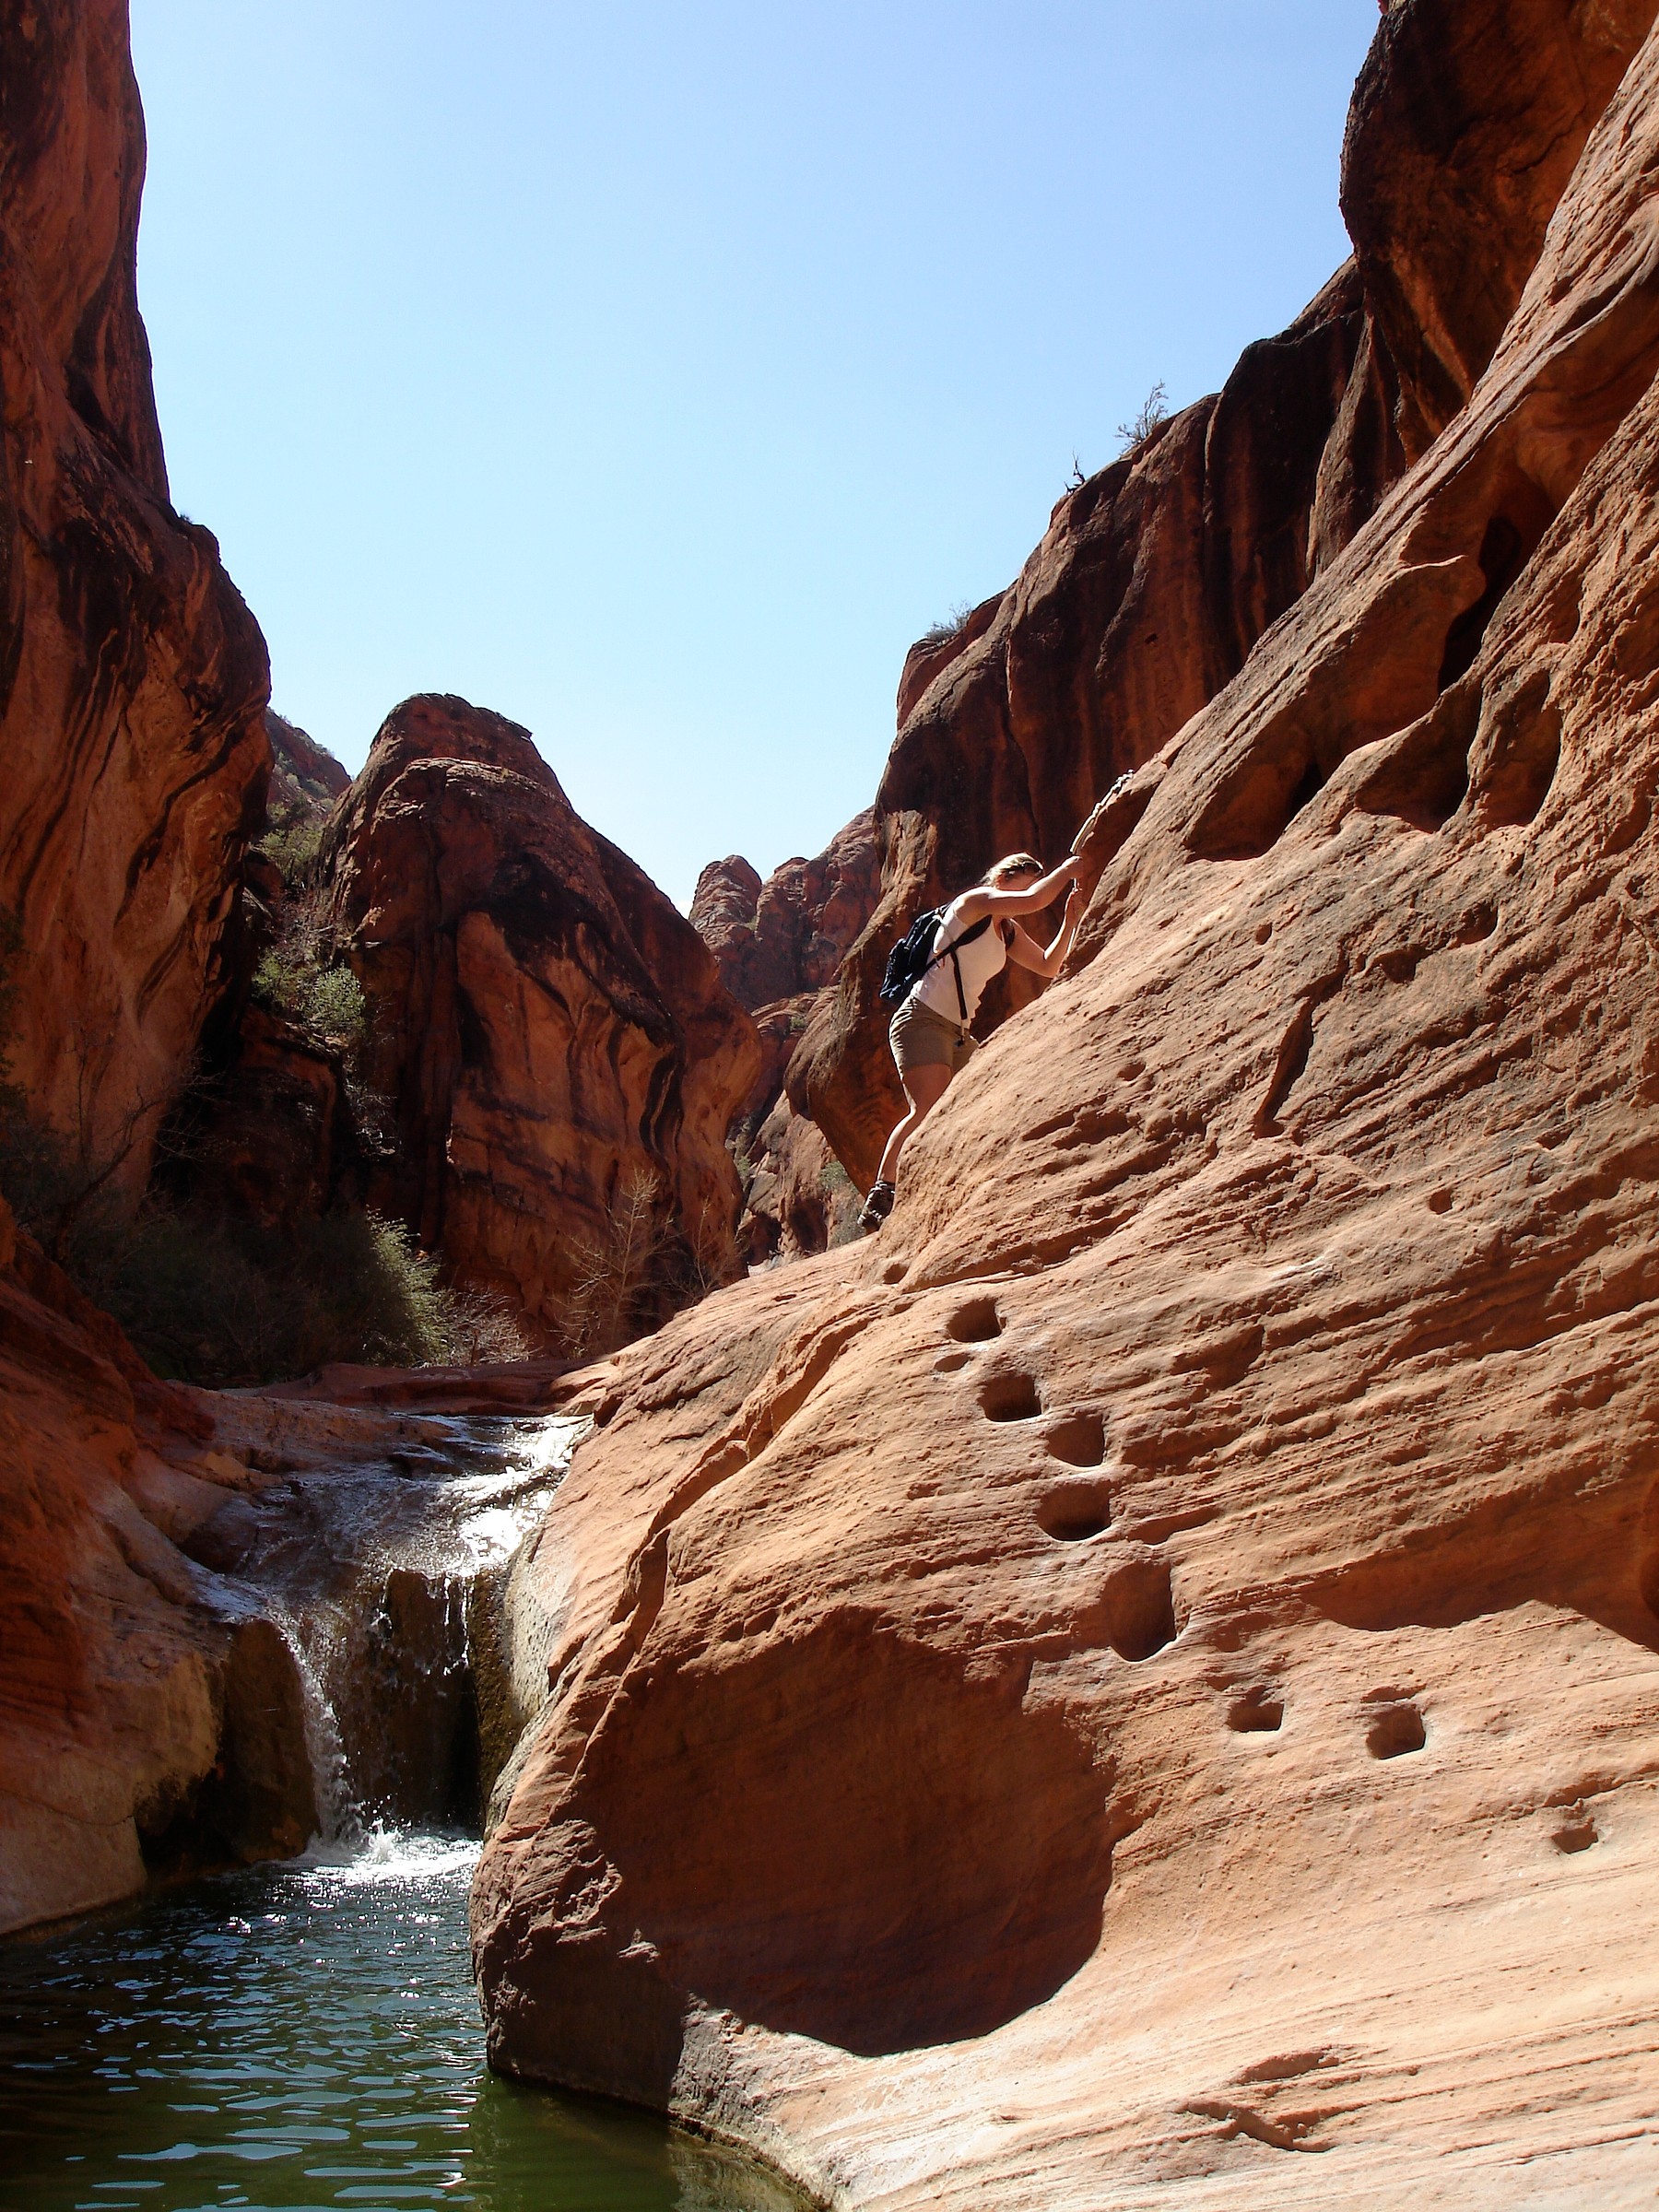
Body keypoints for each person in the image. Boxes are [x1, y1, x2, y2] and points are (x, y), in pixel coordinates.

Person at [859, 851, 1086, 1231]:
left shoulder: (1006, 930)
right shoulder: (974, 903)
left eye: (1033, 884)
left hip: (959, 1034)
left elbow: (1048, 964)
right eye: (1023, 883)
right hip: (922, 1019)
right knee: (928, 1110)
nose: (1025, 894)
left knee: (978, 1108)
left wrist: (1070, 921)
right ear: (1002, 880)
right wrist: (1066, 871)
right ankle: (882, 1194)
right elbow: (1034, 901)